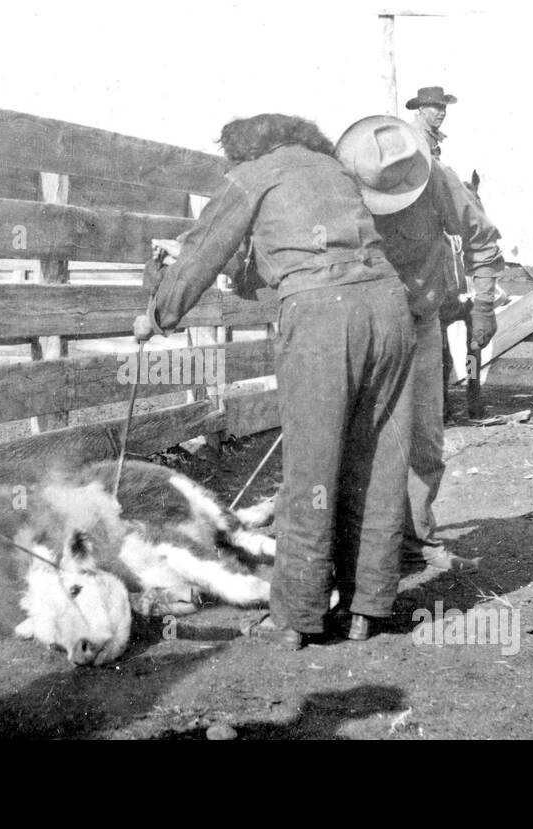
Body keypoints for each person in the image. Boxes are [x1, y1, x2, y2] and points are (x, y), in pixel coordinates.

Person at [134, 113, 416, 647]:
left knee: (312, 463)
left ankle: (297, 615)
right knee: (377, 458)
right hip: (389, 305)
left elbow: (205, 252)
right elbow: (281, 262)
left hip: (322, 318)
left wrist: (157, 313)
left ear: (242, 151)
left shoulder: (254, 174)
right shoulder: (333, 170)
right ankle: (369, 606)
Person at [336, 115, 505, 574]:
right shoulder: (338, 183)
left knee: (424, 437)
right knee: (353, 437)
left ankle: (416, 540)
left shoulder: (438, 181)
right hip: (357, 326)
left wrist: (484, 306)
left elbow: (483, 241)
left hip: (418, 324)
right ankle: (353, 552)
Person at [404, 85, 457, 160]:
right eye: (437, 107)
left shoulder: (429, 132)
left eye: (444, 107)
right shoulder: (416, 135)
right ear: (421, 109)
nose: (443, 113)